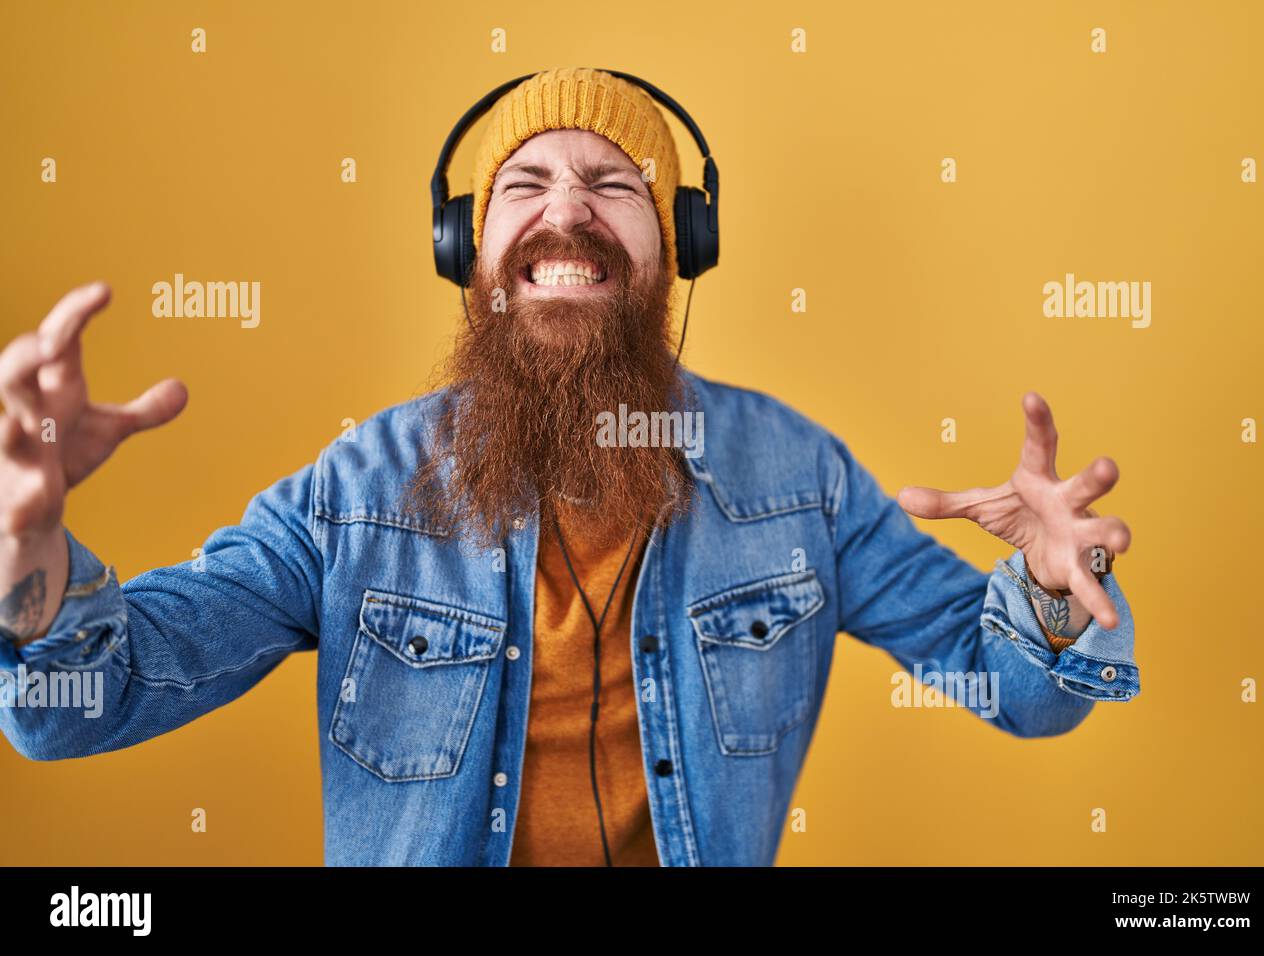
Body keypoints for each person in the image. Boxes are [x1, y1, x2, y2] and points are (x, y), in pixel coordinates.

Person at [0, 67, 1137, 867]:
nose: (566, 214)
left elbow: (1027, 694)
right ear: (467, 250)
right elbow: (76, 706)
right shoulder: (357, 489)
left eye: (614, 184)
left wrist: (1044, 587)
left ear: (678, 245)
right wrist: (30, 559)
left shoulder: (798, 473)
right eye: (523, 185)